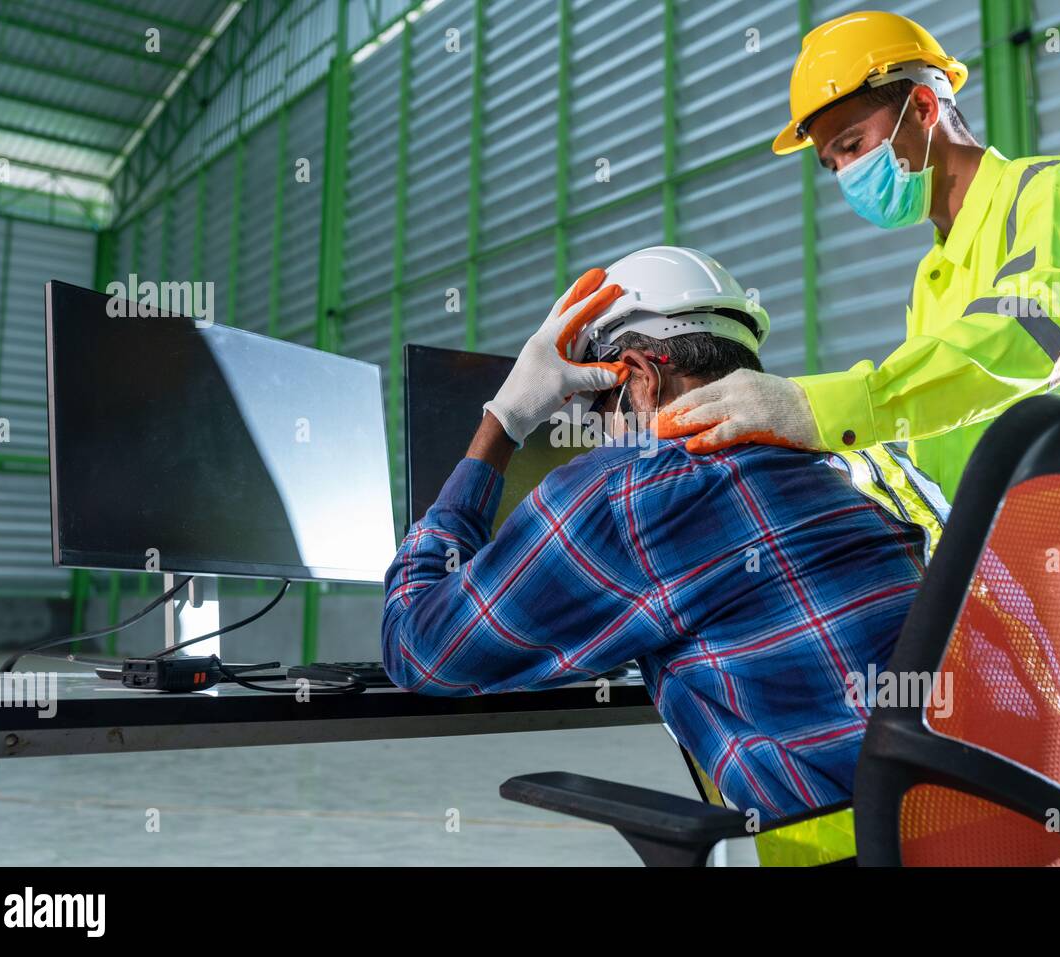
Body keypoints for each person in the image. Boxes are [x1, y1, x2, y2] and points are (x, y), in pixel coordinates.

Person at [654, 10, 1060, 865]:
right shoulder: (935, 286)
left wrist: (813, 404)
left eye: (853, 142)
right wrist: (791, 465)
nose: (847, 173)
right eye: (831, 163)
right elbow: (928, 454)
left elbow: (1032, 335)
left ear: (924, 109)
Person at [381, 246, 946, 863]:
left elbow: (419, 649)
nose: (600, 436)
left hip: (853, 851)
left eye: (598, 413)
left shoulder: (630, 487)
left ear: (639, 377)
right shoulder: (852, 468)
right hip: (990, 827)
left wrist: (504, 421)